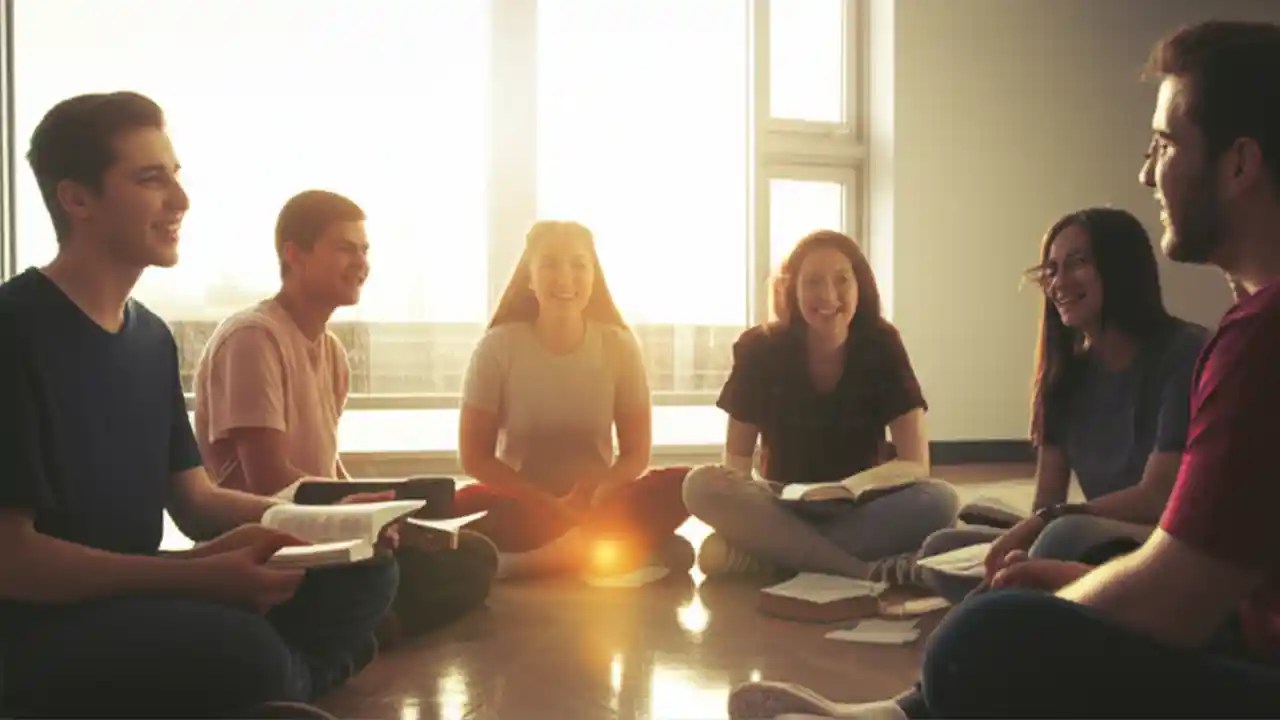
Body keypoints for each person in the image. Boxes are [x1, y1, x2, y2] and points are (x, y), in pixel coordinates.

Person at [729, 19, 1280, 719]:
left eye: (1165, 145)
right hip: (1235, 614)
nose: (1147, 171)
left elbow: (1173, 591)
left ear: (1239, 165)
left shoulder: (1247, 342)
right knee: (998, 564)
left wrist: (1063, 596)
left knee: (987, 636)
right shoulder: (1212, 339)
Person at [0, 92, 399, 718]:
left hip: (142, 593)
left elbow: (194, 500)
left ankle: (272, 680)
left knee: (369, 574)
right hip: (39, 623)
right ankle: (282, 675)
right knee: (245, 653)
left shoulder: (151, 337)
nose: (180, 200)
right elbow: (13, 562)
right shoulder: (14, 329)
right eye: (150, 179)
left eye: (176, 176)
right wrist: (193, 576)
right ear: (77, 199)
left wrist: (324, 520)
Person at [193, 189, 496, 639]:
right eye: (343, 248)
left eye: (364, 250)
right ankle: (361, 624)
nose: (360, 263)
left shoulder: (332, 351)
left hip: (330, 534)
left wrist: (390, 516)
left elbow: (327, 468)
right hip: (272, 542)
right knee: (390, 576)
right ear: (294, 254)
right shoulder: (253, 338)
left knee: (474, 554)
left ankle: (367, 621)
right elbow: (269, 479)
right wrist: (352, 517)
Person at [918, 207, 1208, 604]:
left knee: (1062, 534)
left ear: (1119, 268)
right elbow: (1046, 500)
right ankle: (1042, 592)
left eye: (1077, 263)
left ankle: (1036, 594)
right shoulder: (1065, 374)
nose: (1058, 282)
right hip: (1091, 538)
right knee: (941, 547)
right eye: (1051, 269)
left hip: (1160, 542)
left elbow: (1157, 497)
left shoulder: (1183, 353)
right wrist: (1029, 530)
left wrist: (1049, 520)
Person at [682, 230, 958, 585]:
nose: (828, 295)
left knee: (940, 499)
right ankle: (858, 568)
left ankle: (770, 557)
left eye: (842, 280)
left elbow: (916, 463)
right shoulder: (758, 348)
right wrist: (737, 500)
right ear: (792, 291)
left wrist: (848, 488)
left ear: (861, 287)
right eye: (812, 282)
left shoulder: (882, 343)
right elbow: (736, 461)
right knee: (698, 485)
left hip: (862, 505)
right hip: (782, 505)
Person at [454, 220, 692, 579]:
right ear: (529, 278)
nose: (564, 277)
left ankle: (542, 559)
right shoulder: (497, 347)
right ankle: (614, 550)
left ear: (594, 277)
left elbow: (635, 454)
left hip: (599, 502)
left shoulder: (620, 346)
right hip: (525, 505)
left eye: (578, 265)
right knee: (467, 502)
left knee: (685, 483)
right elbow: (475, 457)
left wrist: (600, 492)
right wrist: (549, 503)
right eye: (549, 264)